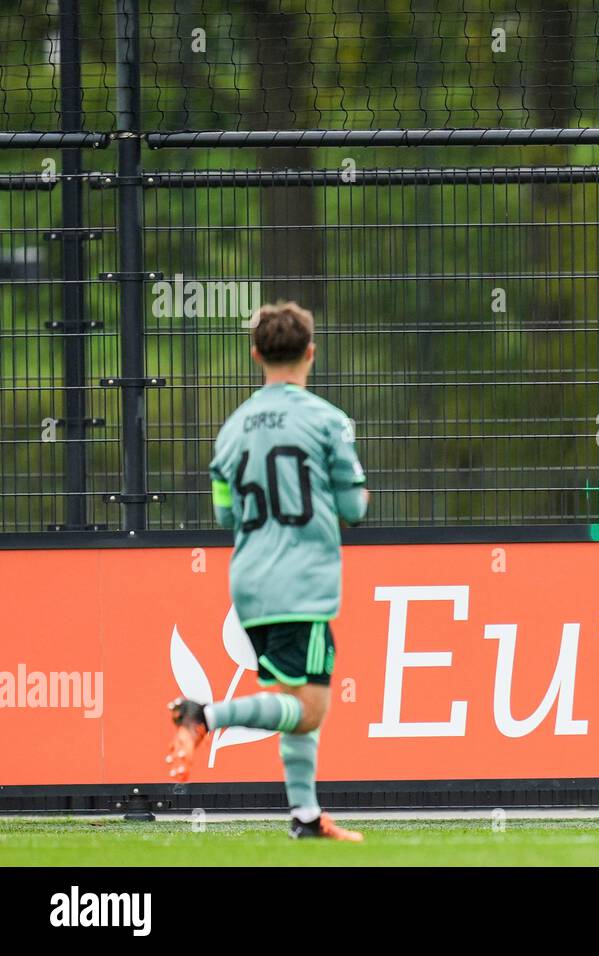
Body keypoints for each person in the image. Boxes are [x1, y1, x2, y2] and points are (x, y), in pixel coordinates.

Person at [166, 300, 370, 839]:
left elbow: (226, 515)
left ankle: (304, 816)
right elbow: (353, 510)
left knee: (291, 696)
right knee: (307, 710)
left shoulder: (230, 432)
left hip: (251, 583)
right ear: (311, 352)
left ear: (256, 354)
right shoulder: (329, 421)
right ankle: (202, 717)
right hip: (301, 582)